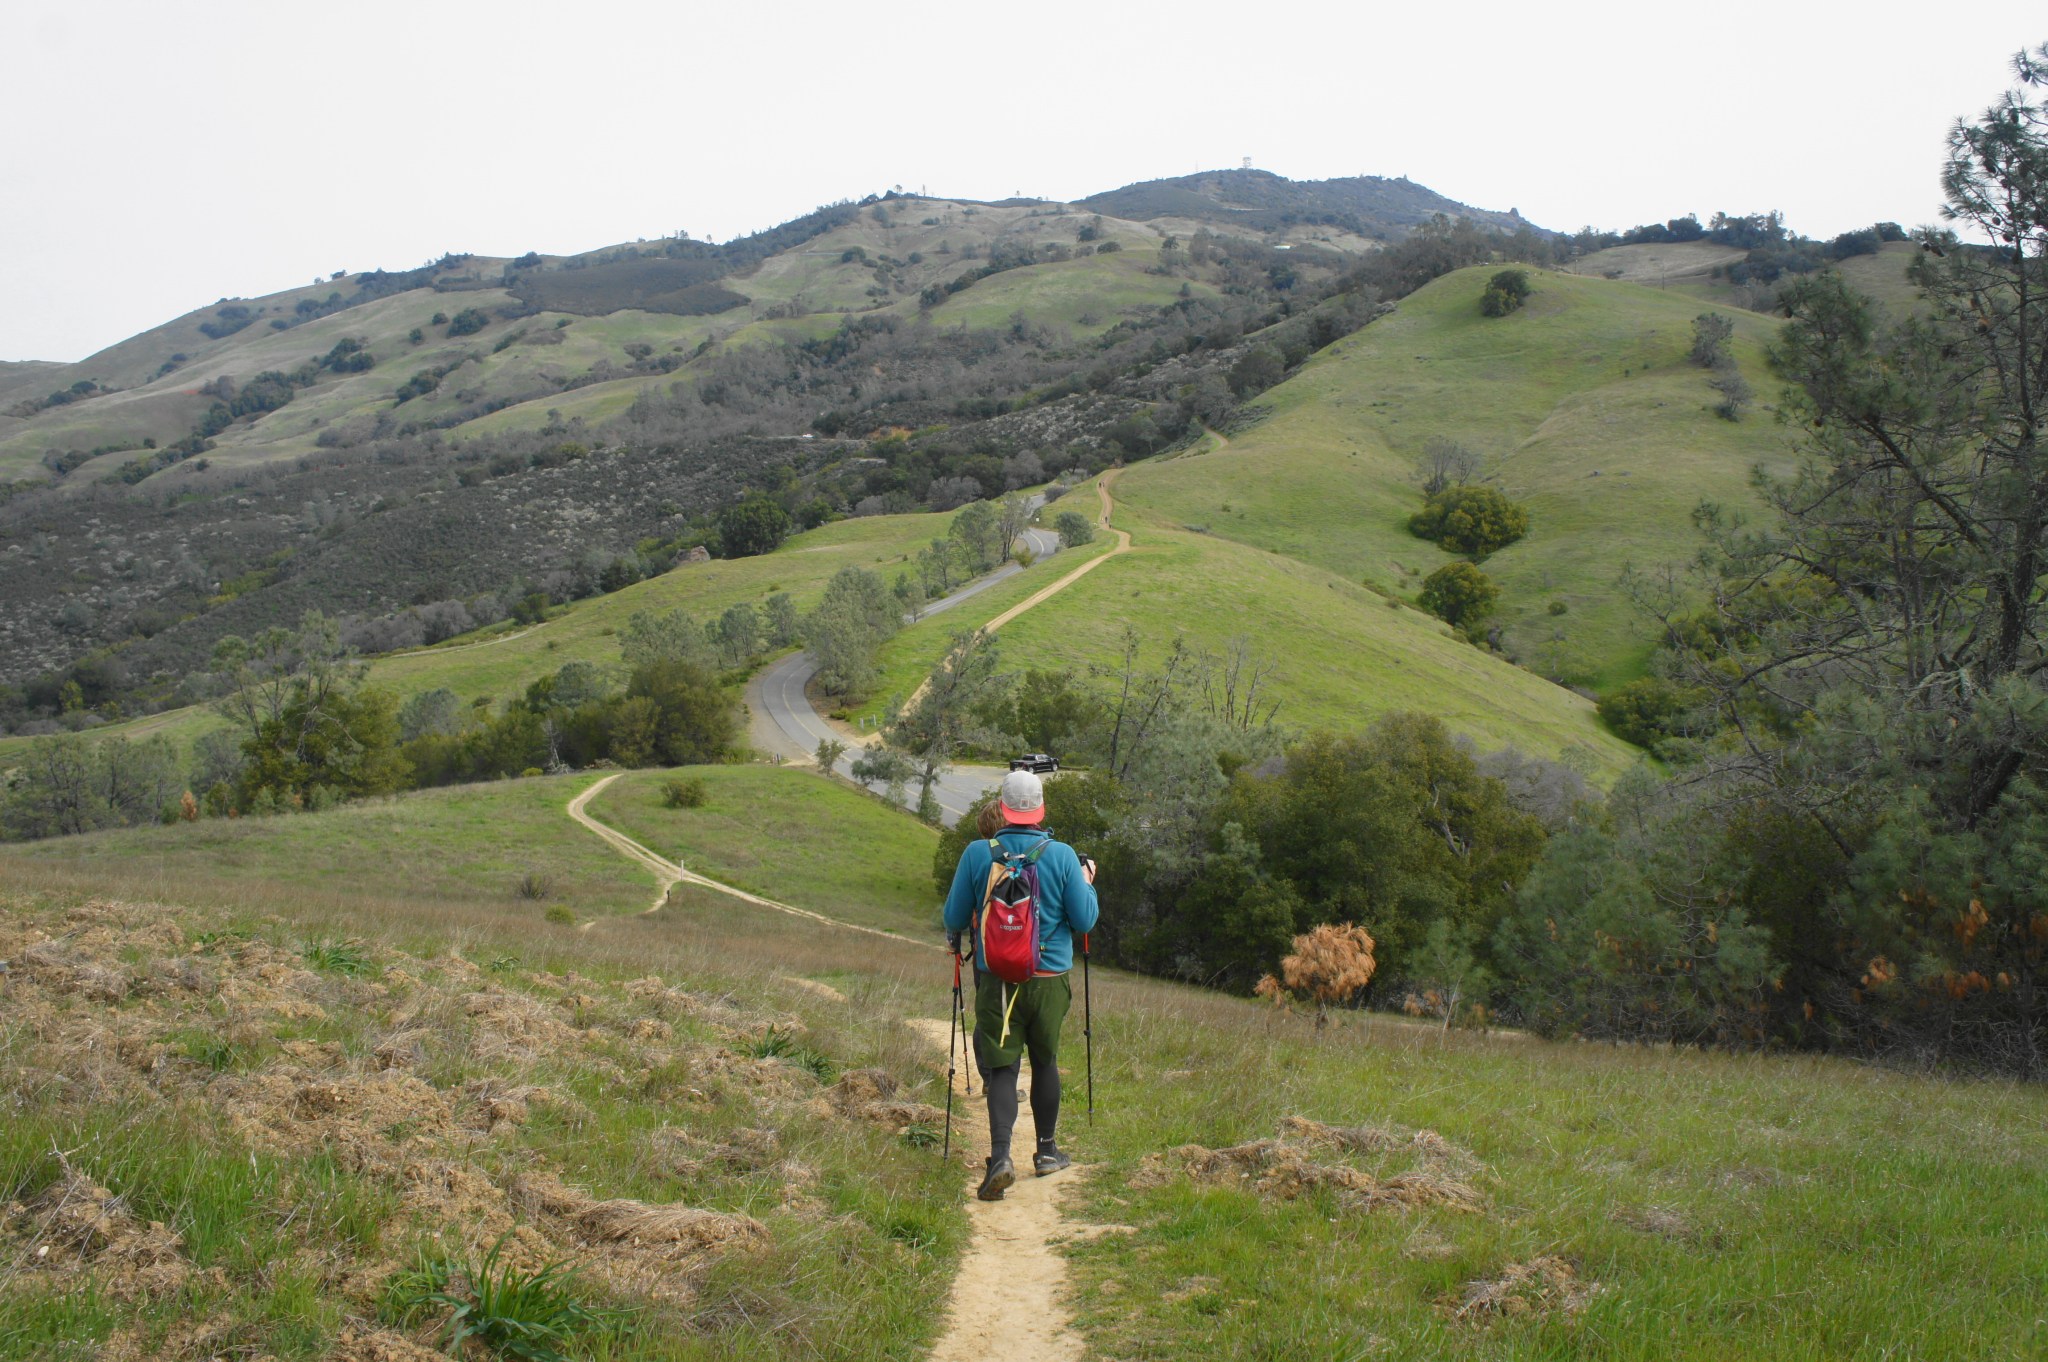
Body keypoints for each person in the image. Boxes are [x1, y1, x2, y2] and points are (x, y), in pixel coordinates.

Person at [943, 768, 1098, 1200]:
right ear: (1040, 808)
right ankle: (1047, 1151)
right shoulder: (1063, 854)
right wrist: (1087, 882)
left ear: (1003, 805)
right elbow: (1085, 921)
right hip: (1049, 978)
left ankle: (999, 1158)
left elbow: (954, 918)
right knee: (1045, 1061)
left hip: (997, 979)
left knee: (1004, 1068)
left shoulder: (978, 853)